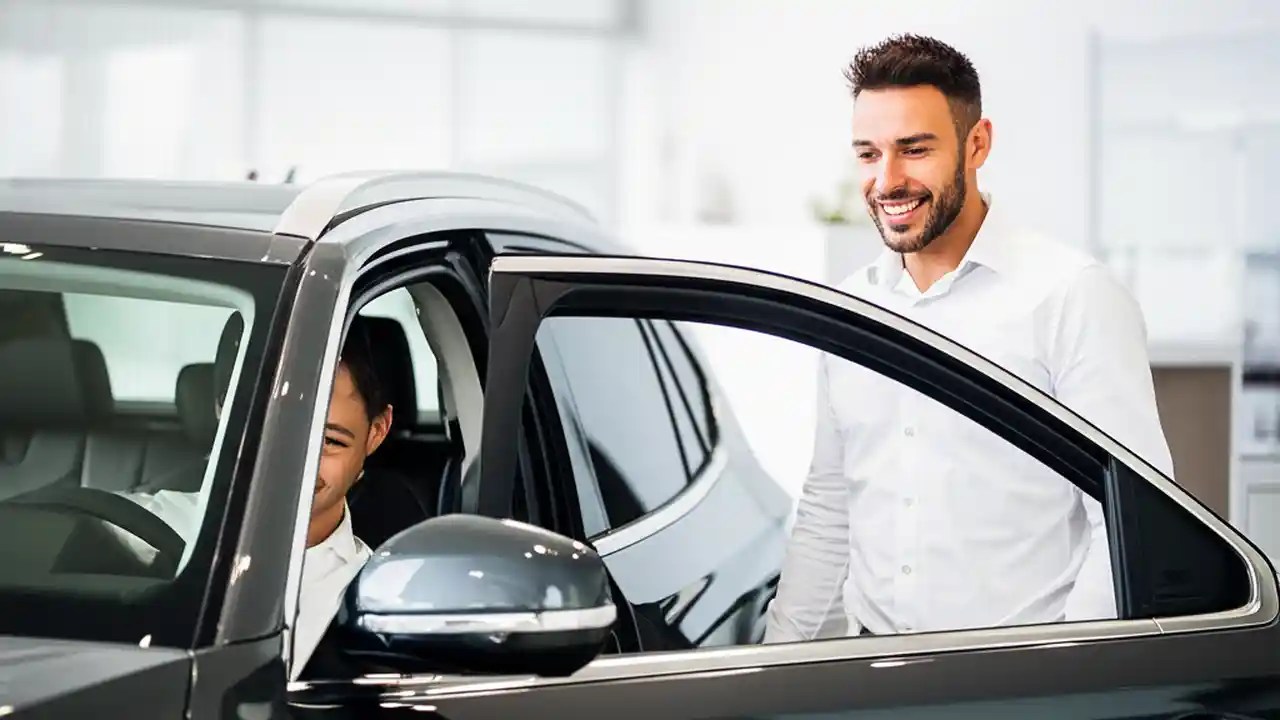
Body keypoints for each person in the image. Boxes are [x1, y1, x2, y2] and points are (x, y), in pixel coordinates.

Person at [763, 34, 1174, 643]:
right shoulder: (852, 311)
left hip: (1015, 672)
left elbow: (1129, 519)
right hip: (871, 664)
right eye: (869, 154)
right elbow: (830, 507)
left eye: (914, 149)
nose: (887, 180)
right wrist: (777, 659)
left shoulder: (1072, 297)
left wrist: (1069, 673)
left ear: (977, 143)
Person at [114, 316, 392, 678]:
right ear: (223, 412)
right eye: (270, 429)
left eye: (330, 441)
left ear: (376, 432)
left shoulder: (380, 598)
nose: (294, 463)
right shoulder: (136, 525)